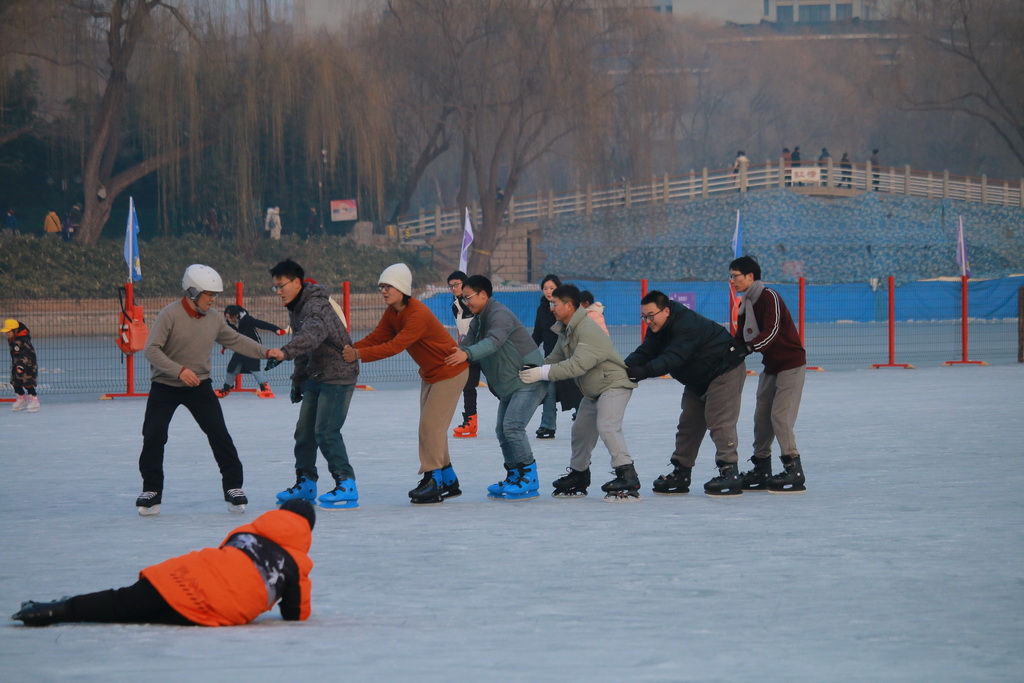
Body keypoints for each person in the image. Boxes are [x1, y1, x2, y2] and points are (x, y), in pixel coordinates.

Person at [11, 499, 315, 627]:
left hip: (180, 578)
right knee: (138, 616)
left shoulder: (246, 532)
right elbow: (295, 614)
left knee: (122, 602)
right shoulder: (298, 565)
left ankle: (57, 608)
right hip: (216, 609)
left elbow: (227, 559)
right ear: (307, 531)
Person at [136, 264, 274, 516]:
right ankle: (151, 490)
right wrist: (178, 370)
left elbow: (236, 340)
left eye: (215, 295)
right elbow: (151, 350)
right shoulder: (169, 315)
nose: (213, 300)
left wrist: (266, 351)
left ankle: (233, 487)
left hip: (199, 386)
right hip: (165, 386)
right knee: (154, 435)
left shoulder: (214, 319)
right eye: (209, 295)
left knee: (219, 433)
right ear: (192, 292)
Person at [343, 263, 469, 505]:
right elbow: (378, 337)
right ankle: (449, 480)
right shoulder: (393, 312)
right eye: (382, 286)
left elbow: (395, 346)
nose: (384, 291)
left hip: (451, 371)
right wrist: (352, 348)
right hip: (432, 373)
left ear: (401, 288)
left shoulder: (416, 314)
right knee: (434, 430)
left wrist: (358, 356)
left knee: (430, 427)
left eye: (388, 286)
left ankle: (432, 480)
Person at [519, 284, 640, 501]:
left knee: (607, 426)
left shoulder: (587, 328)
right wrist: (531, 368)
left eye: (555, 303)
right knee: (580, 431)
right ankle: (579, 474)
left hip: (613, 385)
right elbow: (554, 359)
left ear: (569, 305)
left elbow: (577, 365)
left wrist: (542, 373)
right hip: (594, 390)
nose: (551, 307)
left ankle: (627, 474)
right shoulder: (567, 330)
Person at [623, 290, 749, 497]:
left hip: (724, 370)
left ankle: (729, 471)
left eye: (650, 315)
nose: (647, 321)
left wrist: (644, 371)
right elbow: (646, 350)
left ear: (665, 311)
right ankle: (681, 472)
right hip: (697, 377)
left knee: (720, 422)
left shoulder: (685, 324)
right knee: (688, 424)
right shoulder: (658, 327)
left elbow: (674, 356)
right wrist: (624, 367)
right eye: (644, 316)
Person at [266, 260, 362, 510]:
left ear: (297, 283)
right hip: (316, 375)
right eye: (274, 287)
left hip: (339, 373)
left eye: (281, 286)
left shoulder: (316, 305)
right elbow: (304, 347)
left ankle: (346, 483)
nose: (278, 291)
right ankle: (306, 482)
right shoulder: (296, 307)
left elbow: (311, 336)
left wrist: (283, 352)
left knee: (326, 431)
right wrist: (298, 381)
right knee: (304, 432)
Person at [444, 275, 547, 500]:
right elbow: (466, 345)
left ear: (483, 294)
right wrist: (450, 356)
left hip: (528, 380)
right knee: (502, 431)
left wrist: (466, 354)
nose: (466, 302)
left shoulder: (500, 315)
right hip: (509, 385)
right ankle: (514, 475)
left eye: (468, 297)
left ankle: (529, 478)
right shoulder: (478, 320)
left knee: (512, 427)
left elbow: (493, 342)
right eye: (463, 298)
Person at [729, 256, 808, 494]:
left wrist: (749, 348)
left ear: (751, 276)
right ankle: (762, 468)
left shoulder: (768, 296)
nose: (732, 281)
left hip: (790, 364)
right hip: (771, 366)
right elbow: (740, 338)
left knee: (780, 416)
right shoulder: (745, 304)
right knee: (761, 418)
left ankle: (793, 469)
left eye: (736, 276)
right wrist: (725, 353)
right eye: (730, 276)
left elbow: (771, 331)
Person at [531, 274, 582, 439]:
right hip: (550, 358)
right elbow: (538, 334)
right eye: (545, 288)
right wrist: (528, 351)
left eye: (551, 288)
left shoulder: (565, 308)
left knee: (577, 390)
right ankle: (547, 426)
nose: (548, 291)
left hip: (568, 356)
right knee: (549, 390)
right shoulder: (542, 309)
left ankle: (585, 420)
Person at [215, 305, 286, 399]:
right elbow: (229, 336)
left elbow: (262, 324)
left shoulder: (247, 320)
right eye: (227, 317)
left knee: (254, 368)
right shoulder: (230, 324)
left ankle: (266, 389)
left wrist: (276, 329)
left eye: (230, 317)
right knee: (232, 367)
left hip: (253, 347)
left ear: (236, 315)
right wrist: (224, 346)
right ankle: (226, 388)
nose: (228, 319)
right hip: (240, 347)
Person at [447, 270, 481, 438]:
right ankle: (470, 421)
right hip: (469, 351)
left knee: (499, 387)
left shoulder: (473, 302)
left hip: (484, 348)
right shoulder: (455, 306)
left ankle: (515, 417)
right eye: (451, 286)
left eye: (456, 285)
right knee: (468, 385)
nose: (453, 288)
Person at [4, 319, 40, 413]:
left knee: (28, 382)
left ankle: (34, 400)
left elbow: (27, 354)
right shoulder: (12, 339)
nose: (7, 333)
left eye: (8, 331)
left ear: (15, 330)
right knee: (15, 381)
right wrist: (16, 364)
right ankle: (21, 399)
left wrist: (21, 365)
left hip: (28, 364)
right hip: (16, 363)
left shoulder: (23, 340)